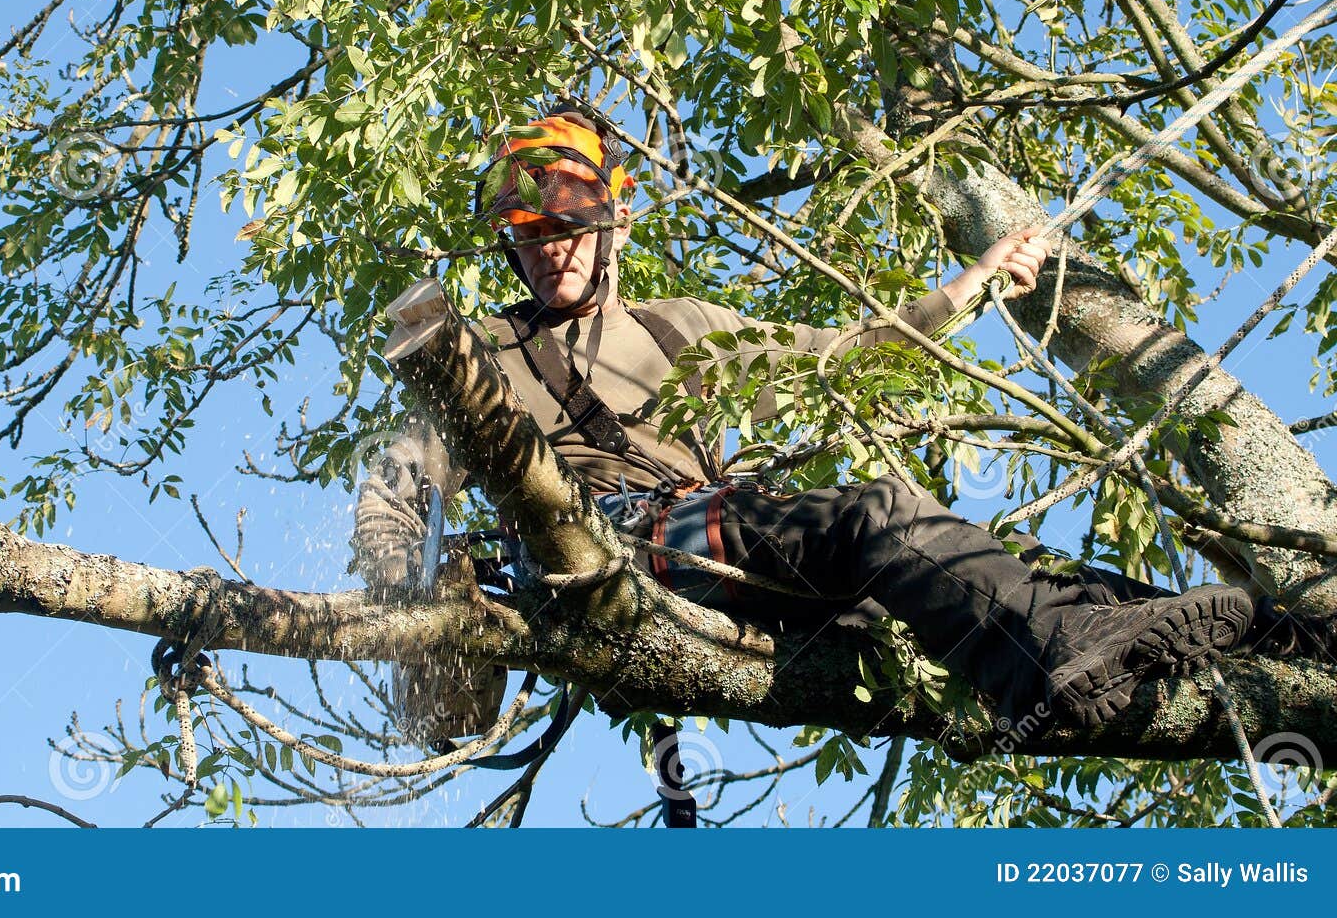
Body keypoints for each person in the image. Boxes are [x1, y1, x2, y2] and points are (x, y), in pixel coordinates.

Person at [351, 105, 1328, 742]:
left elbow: (848, 351)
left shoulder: (680, 326)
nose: (549, 245)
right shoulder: (480, 356)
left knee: (986, 559)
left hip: (722, 537)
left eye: (567, 219)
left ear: (612, 218)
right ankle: (1056, 657)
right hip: (620, 551)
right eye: (526, 231)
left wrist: (976, 282)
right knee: (875, 515)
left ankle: (1274, 639)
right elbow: (392, 492)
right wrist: (411, 604)